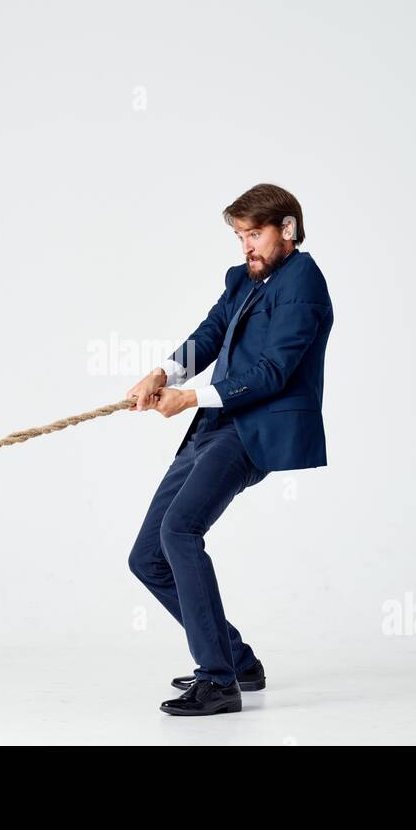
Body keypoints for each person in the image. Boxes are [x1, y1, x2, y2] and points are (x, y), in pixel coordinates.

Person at [126, 183, 334, 716]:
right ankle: (238, 661)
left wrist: (190, 395)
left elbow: (273, 372)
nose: (247, 246)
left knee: (180, 530)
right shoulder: (242, 279)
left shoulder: (304, 282)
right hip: (211, 426)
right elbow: (212, 331)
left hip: (254, 430)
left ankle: (217, 681)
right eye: (240, 236)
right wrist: (161, 372)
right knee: (147, 557)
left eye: (255, 233)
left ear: (287, 229)